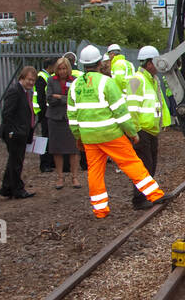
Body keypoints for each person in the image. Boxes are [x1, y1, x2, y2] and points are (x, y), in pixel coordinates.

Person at [68, 45, 164, 217]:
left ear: (82, 65)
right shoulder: (106, 82)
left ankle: (100, 210)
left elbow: (72, 116)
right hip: (110, 134)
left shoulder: (75, 86)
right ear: (99, 63)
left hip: (89, 136)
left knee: (95, 172)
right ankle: (154, 194)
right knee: (132, 163)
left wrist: (78, 137)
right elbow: (120, 112)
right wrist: (131, 133)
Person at [126, 45, 171, 209]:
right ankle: (139, 199)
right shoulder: (136, 80)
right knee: (144, 165)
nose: (159, 65)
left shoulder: (153, 80)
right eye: (157, 62)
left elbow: (159, 103)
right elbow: (131, 107)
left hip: (150, 130)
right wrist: (134, 131)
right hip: (141, 131)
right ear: (149, 63)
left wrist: (163, 123)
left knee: (151, 164)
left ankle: (150, 194)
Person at [0, 66, 37, 199]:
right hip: (15, 133)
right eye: (29, 79)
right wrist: (12, 132)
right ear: (22, 78)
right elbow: (7, 113)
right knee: (16, 162)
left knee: (14, 161)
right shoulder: (15, 91)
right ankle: (17, 189)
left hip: (21, 132)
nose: (31, 83)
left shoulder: (25, 92)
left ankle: (7, 187)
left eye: (33, 80)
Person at [44, 56, 79, 189]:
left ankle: (74, 177)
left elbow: (73, 99)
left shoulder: (74, 81)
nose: (62, 71)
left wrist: (59, 97)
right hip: (55, 119)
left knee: (73, 149)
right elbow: (49, 99)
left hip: (70, 119)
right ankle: (60, 177)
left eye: (64, 68)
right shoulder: (51, 80)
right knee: (57, 149)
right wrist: (63, 98)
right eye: (60, 69)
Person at [35, 57, 56, 173]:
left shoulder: (47, 76)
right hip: (43, 112)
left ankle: (50, 161)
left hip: (46, 112)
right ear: (50, 66)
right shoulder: (41, 77)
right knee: (44, 138)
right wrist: (44, 112)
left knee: (49, 137)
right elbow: (40, 97)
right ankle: (44, 164)